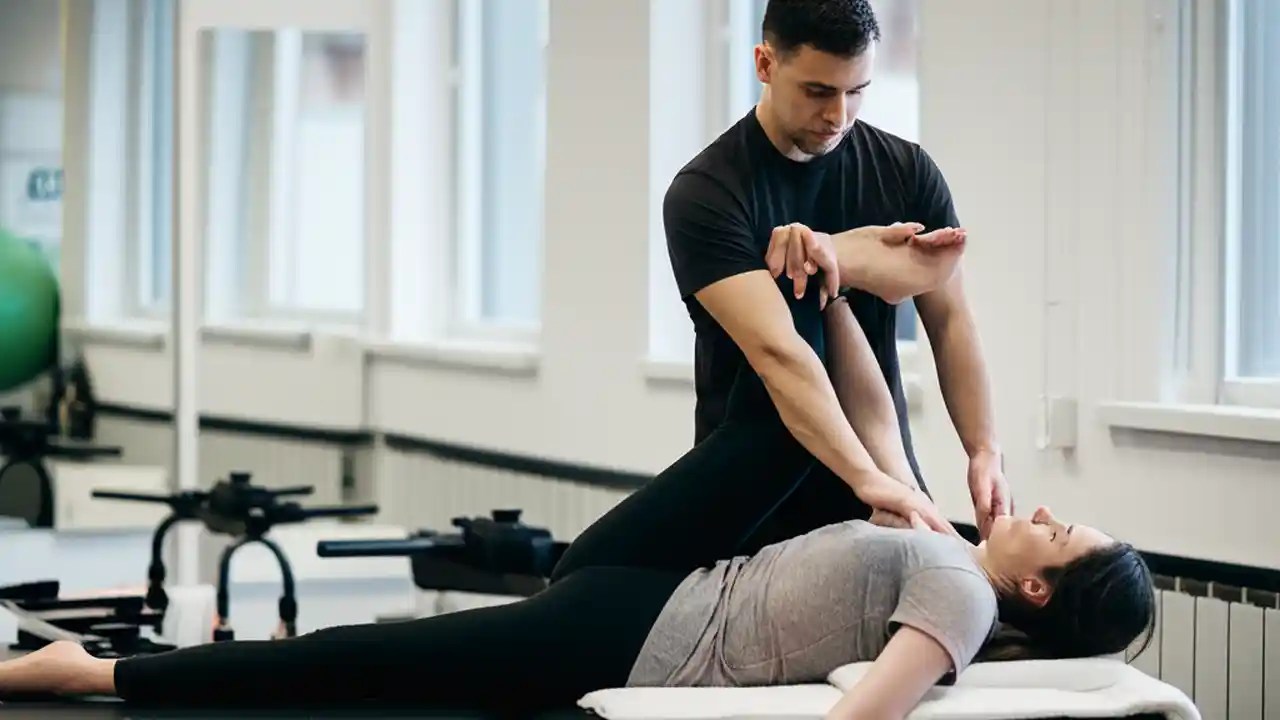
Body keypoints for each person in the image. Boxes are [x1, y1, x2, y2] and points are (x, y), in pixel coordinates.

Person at [0, 294, 1156, 719]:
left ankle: (96, 677)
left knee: (363, 666)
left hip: (632, 637)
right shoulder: (948, 547)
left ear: (1039, 585)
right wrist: (852, 297)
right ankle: (105, 675)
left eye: (1059, 531)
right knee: (810, 423)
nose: (1045, 510)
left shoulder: (954, 594)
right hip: (649, 588)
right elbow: (871, 415)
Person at [660, 0, 1010, 549]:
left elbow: (950, 322)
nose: (839, 116)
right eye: (819, 92)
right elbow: (781, 355)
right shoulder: (708, 193)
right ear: (765, 64)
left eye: (857, 91)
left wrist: (983, 449)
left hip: (883, 472)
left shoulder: (906, 172)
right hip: (756, 504)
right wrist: (867, 478)